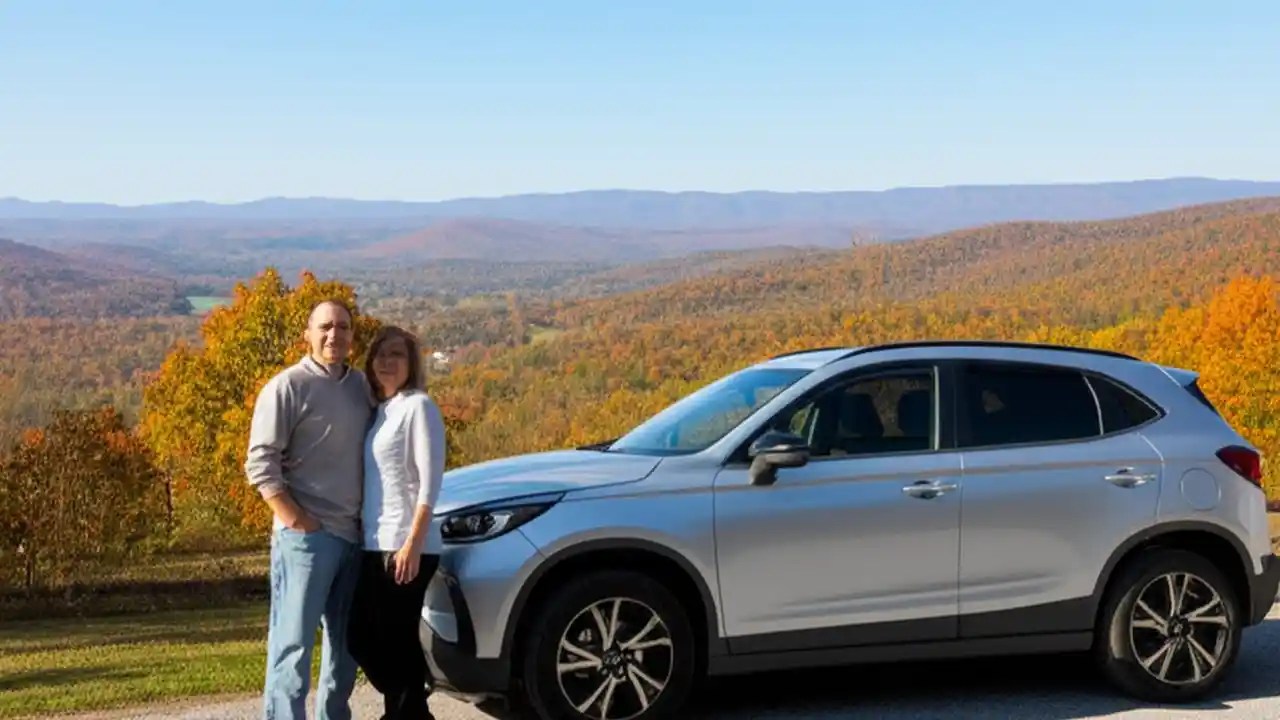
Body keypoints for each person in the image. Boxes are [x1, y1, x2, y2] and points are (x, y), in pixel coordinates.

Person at [245, 299, 374, 720]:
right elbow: (260, 465)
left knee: (345, 649)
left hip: (354, 537)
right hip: (306, 540)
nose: (334, 334)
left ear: (352, 336)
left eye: (343, 327)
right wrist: (298, 520)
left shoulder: (361, 387)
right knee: (293, 646)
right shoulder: (286, 387)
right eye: (325, 327)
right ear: (308, 333)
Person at [349, 325, 447, 720]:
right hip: (375, 543)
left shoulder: (418, 406)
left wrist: (413, 543)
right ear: (371, 363)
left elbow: (430, 480)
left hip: (406, 545)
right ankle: (411, 708)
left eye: (398, 355)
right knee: (363, 637)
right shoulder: (381, 412)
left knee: (394, 641)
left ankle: (405, 709)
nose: (388, 362)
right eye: (381, 355)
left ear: (412, 364)